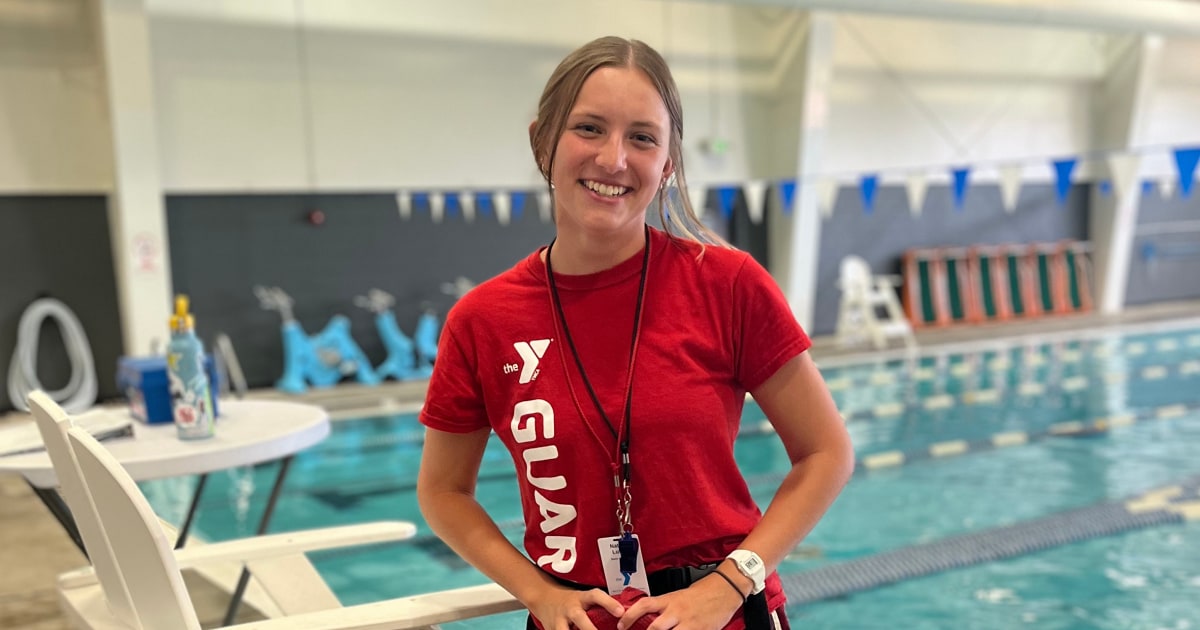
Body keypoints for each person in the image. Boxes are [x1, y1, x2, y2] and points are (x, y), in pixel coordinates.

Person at [417, 35, 853, 630]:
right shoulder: (483, 321)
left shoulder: (726, 284)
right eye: (589, 128)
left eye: (642, 138)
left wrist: (730, 583)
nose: (614, 159)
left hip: (720, 615)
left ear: (667, 163)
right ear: (542, 141)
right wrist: (536, 591)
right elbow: (443, 492)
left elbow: (827, 453)